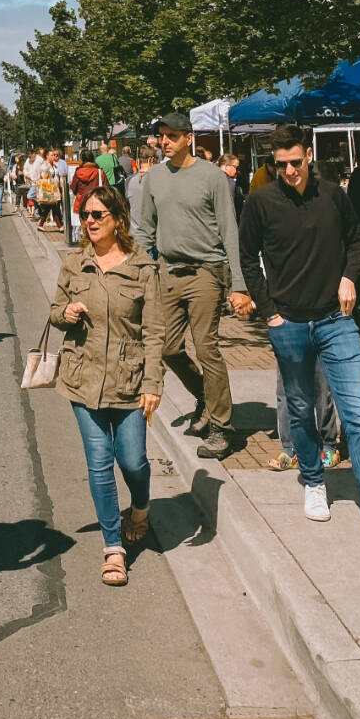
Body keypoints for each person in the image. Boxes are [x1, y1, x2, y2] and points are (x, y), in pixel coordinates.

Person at [239, 124, 360, 553]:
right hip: (289, 323)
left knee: (356, 414)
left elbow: (356, 239)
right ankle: (314, 481)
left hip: (337, 320)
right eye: (281, 165)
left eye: (296, 162)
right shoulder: (260, 201)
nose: (290, 171)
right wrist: (271, 314)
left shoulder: (333, 195)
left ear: (309, 155)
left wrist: (349, 277)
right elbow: (246, 256)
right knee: (300, 408)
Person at [50, 186, 159, 587]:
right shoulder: (74, 263)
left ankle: (141, 506)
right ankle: (113, 548)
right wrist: (66, 312)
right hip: (82, 380)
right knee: (99, 463)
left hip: (129, 383)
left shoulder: (143, 268)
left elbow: (154, 332)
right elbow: (53, 312)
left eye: (98, 214)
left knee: (132, 461)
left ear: (118, 219)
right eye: (86, 214)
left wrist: (153, 382)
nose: (90, 221)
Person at [131, 112, 253, 459]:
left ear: (188, 138)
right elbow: (145, 230)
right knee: (167, 348)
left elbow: (230, 232)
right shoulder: (154, 177)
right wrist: (130, 267)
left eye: (170, 136)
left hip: (206, 272)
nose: (163, 142)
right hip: (167, 272)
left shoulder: (212, 176)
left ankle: (221, 428)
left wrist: (239, 285)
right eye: (161, 137)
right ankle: (204, 397)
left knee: (206, 347)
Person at [35, 148, 65, 232]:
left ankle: (42, 224)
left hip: (54, 188)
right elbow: (44, 178)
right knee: (54, 207)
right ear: (47, 156)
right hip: (49, 189)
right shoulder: (45, 165)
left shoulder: (52, 165)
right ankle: (60, 226)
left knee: (51, 207)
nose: (53, 157)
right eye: (51, 155)